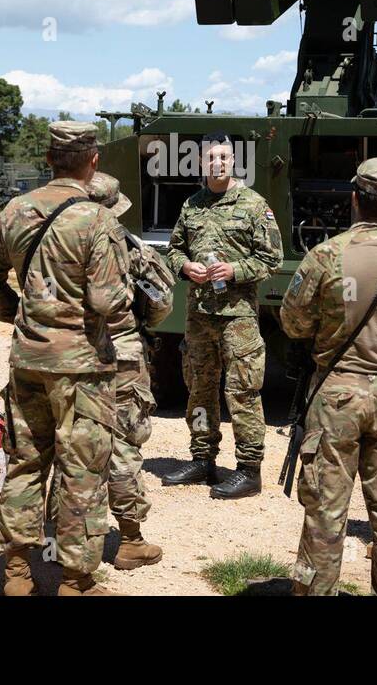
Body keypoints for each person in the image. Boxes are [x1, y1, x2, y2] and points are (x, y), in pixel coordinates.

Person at [0, 122, 134, 596]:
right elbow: (107, 302)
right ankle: (76, 579)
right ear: (93, 161)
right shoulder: (97, 221)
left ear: (48, 159)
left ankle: (17, 571)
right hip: (82, 367)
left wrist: (25, 318)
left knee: (25, 460)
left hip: (27, 360)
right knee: (82, 469)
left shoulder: (16, 210)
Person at [279, 158, 377, 595]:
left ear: (355, 199)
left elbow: (293, 324)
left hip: (336, 396)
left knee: (326, 512)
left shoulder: (325, 256)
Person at [162, 132, 282, 499]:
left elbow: (272, 258)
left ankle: (249, 469)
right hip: (199, 316)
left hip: (238, 316)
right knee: (199, 388)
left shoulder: (253, 205)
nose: (217, 163)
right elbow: (174, 250)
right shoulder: (192, 206)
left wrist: (235, 271)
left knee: (242, 391)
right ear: (201, 163)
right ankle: (202, 459)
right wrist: (185, 268)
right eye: (211, 158)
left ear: (233, 162)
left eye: (224, 158)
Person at [86, 172, 174, 570]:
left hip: (72, 357)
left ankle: (64, 535)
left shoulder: (57, 243)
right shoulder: (132, 248)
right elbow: (161, 302)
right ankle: (130, 541)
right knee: (123, 446)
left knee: (74, 443)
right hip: (121, 357)